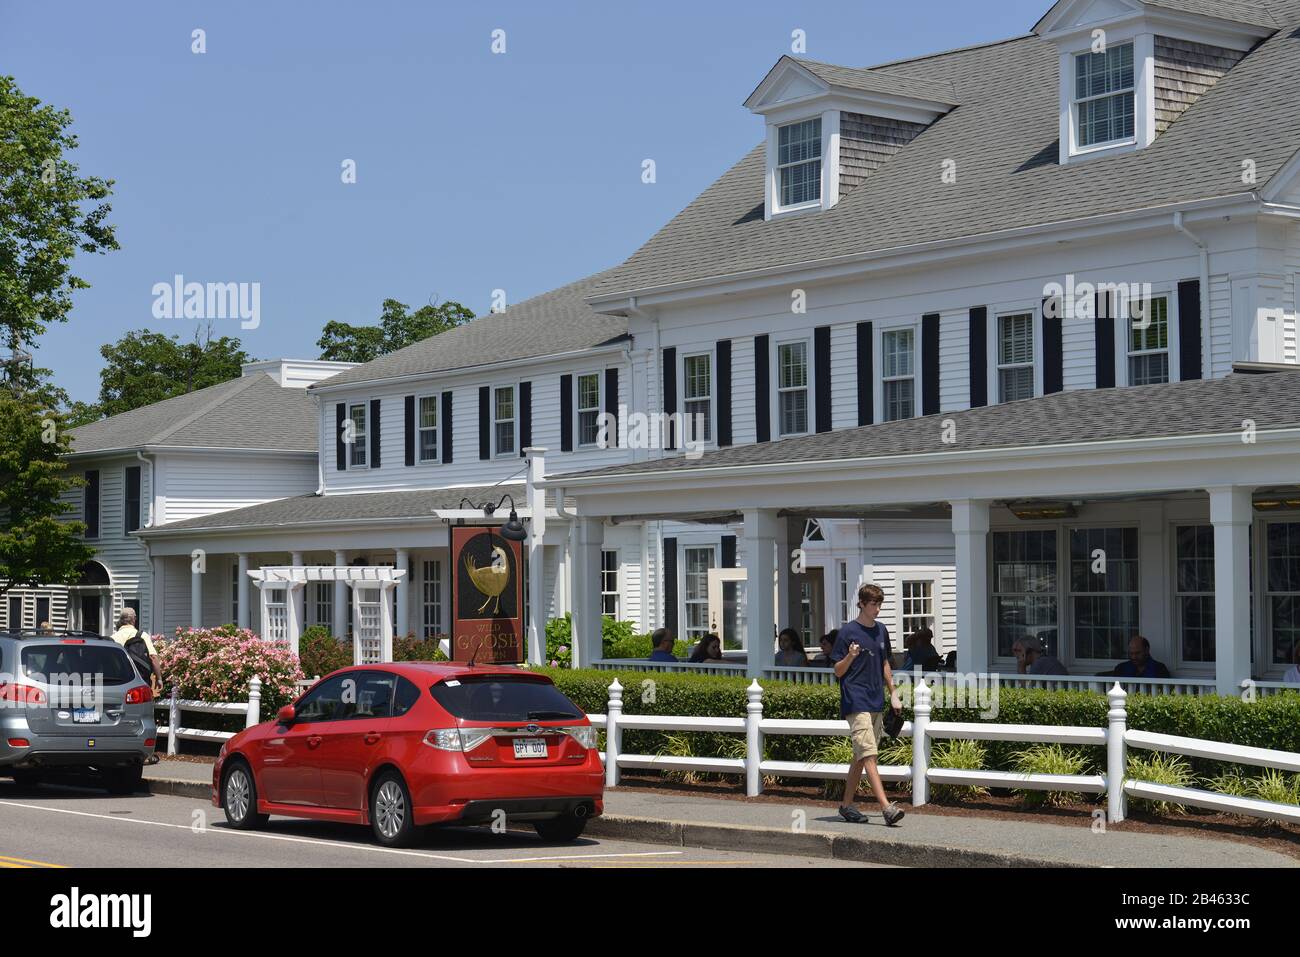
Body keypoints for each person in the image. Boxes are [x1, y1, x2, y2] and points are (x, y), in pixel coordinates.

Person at [832, 583, 905, 826]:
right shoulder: (847, 632)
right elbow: (838, 672)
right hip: (855, 700)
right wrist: (850, 656)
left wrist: (893, 692)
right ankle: (886, 807)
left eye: (879, 604)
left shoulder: (881, 630)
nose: (877, 608)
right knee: (869, 754)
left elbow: (885, 663)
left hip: (876, 700)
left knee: (860, 756)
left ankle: (846, 806)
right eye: (873, 604)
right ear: (861, 604)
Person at [111, 608, 162, 691]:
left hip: (118, 683)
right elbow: (153, 657)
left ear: (121, 620)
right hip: (140, 682)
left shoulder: (112, 638)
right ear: (134, 619)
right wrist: (159, 678)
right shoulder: (142, 636)